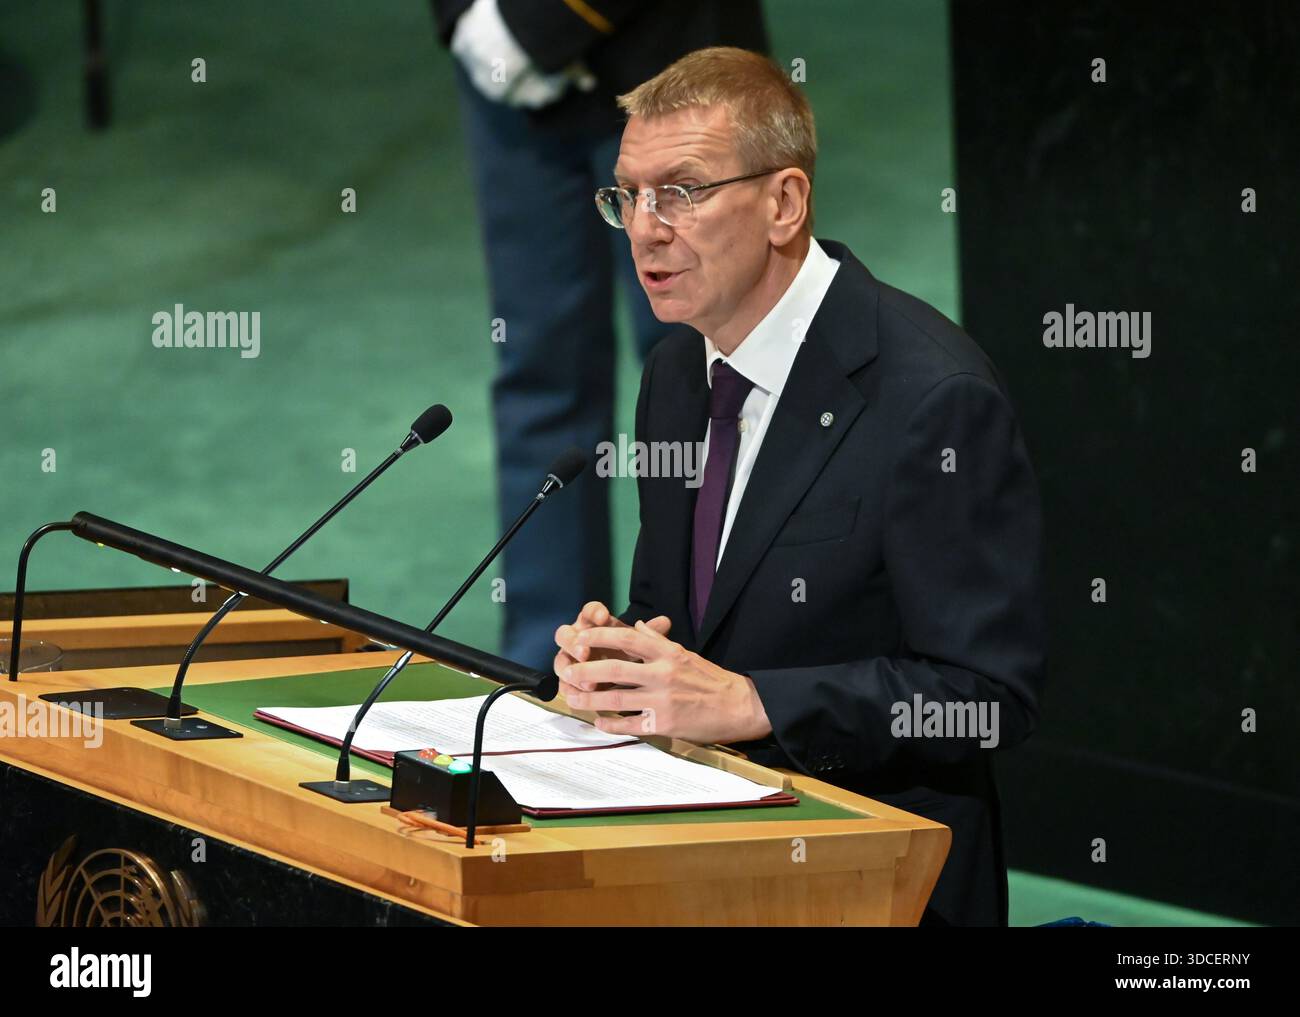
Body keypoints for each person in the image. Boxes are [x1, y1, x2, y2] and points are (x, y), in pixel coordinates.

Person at [553, 46, 1047, 926]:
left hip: (876, 885)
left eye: (682, 191)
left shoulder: (933, 400)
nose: (644, 227)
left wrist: (751, 702)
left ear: (783, 202)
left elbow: (986, 699)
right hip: (698, 864)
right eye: (626, 194)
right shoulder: (675, 373)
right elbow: (689, 619)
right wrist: (623, 656)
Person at [431, 0, 766, 670]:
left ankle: (712, 662)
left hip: (673, 55)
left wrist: (536, 24)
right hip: (505, 73)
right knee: (539, 371)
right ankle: (546, 672)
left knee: (707, 367)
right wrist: (465, 17)